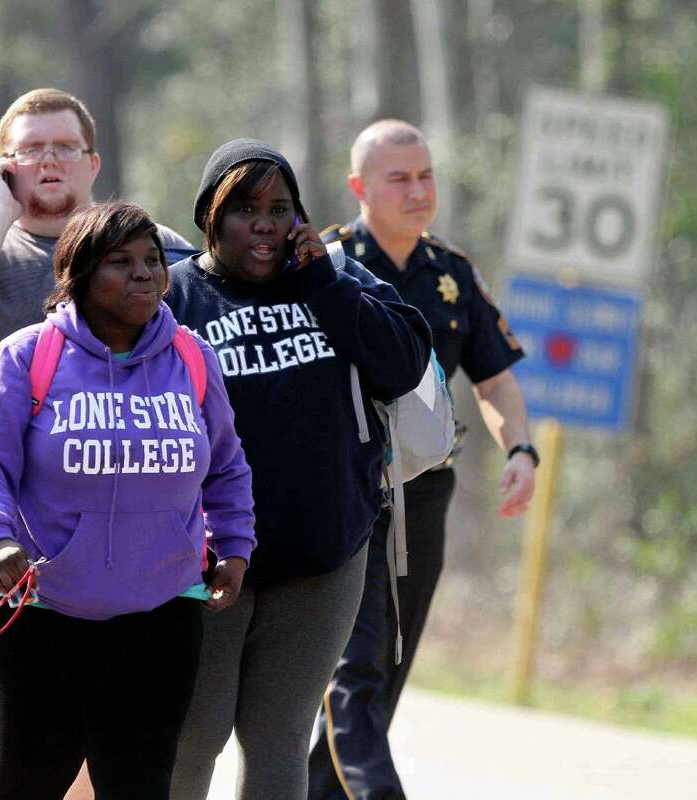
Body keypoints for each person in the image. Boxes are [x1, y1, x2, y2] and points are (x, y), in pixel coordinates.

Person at [0, 88, 194, 799]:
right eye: (30, 149)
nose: (48, 160)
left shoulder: (162, 259)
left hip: (128, 560)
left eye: (63, 147)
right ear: (4, 165)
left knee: (100, 766)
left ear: (93, 161)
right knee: (8, 759)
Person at [0, 200, 256, 800]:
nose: (144, 272)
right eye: (121, 261)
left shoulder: (191, 359)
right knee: (28, 782)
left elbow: (227, 466)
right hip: (41, 610)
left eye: (151, 261)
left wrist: (235, 548)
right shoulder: (25, 358)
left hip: (161, 613)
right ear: (80, 274)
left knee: (139, 785)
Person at [164, 139, 432, 800]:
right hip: (206, 562)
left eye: (279, 208)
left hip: (324, 559)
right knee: (195, 733)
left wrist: (322, 282)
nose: (264, 223)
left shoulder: (336, 282)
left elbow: (402, 365)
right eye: (245, 209)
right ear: (210, 218)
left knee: (279, 737)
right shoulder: (175, 296)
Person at [307, 119, 537, 800]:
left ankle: (320, 791)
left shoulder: (452, 272)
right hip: (345, 493)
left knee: (391, 659)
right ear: (359, 187)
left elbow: (494, 382)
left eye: (426, 175)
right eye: (399, 178)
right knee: (357, 663)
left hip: (426, 490)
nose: (418, 190)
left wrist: (520, 448)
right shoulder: (324, 263)